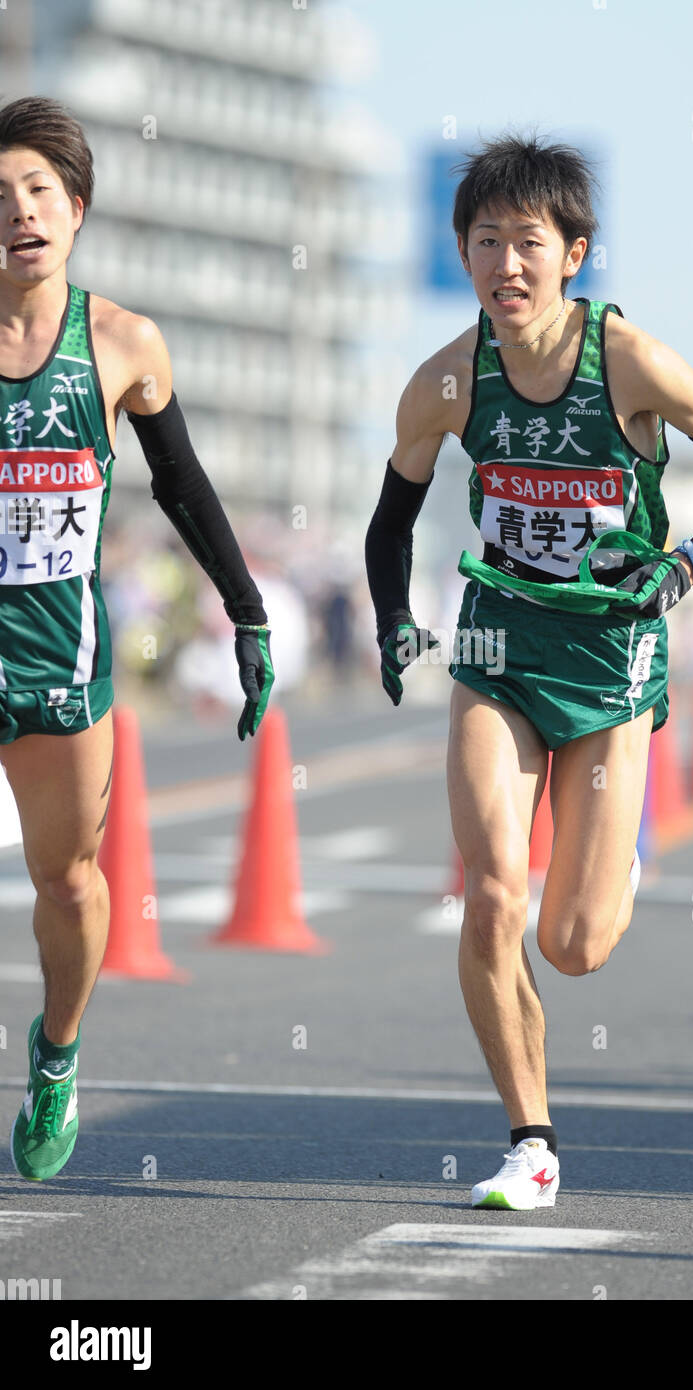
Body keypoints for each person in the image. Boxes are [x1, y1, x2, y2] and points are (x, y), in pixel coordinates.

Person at [366, 134, 693, 1210]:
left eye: (526, 244)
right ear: (460, 255)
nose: (504, 267)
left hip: (611, 661)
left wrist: (685, 563)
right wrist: (388, 623)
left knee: (572, 943)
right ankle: (530, 1142)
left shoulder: (632, 363)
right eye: (483, 243)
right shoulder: (446, 380)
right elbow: (390, 520)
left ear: (574, 254)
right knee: (490, 895)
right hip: (497, 650)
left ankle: (615, 871)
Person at [0, 96, 274, 1181]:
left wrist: (248, 612)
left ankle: (58, 1050)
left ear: (75, 210)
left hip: (59, 652)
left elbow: (185, 489)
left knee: (67, 881)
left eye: (37, 193)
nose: (18, 214)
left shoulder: (120, 342)